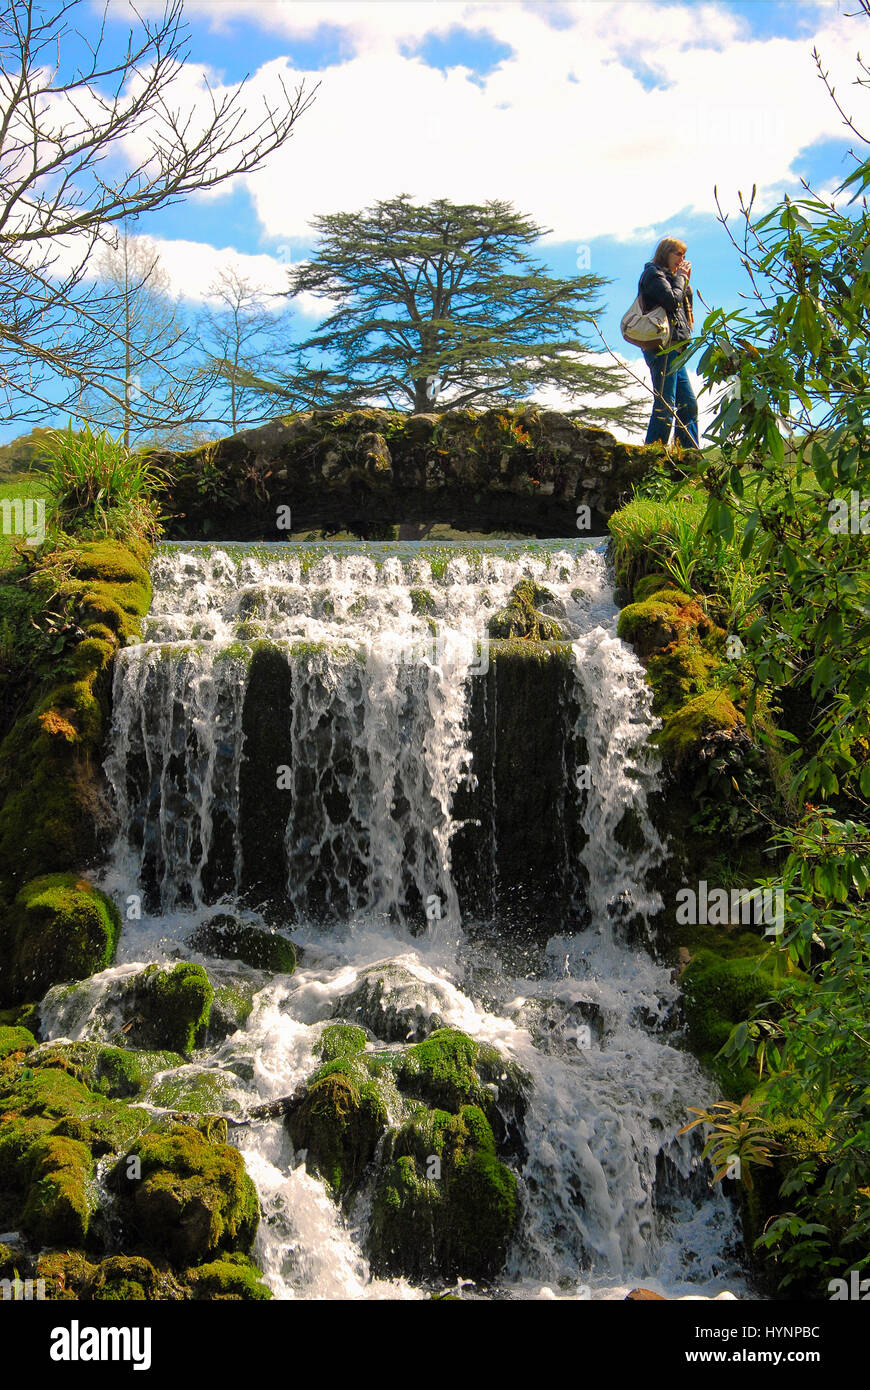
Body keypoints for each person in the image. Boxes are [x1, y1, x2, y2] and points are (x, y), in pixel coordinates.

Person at [638, 237, 699, 448]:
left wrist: (682, 280)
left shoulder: (673, 278)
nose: (682, 260)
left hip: (676, 348)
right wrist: (680, 278)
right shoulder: (653, 274)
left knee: (688, 404)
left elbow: (682, 307)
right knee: (665, 402)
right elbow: (671, 301)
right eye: (677, 254)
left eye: (684, 255)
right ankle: (654, 452)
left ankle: (688, 455)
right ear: (665, 253)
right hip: (662, 347)